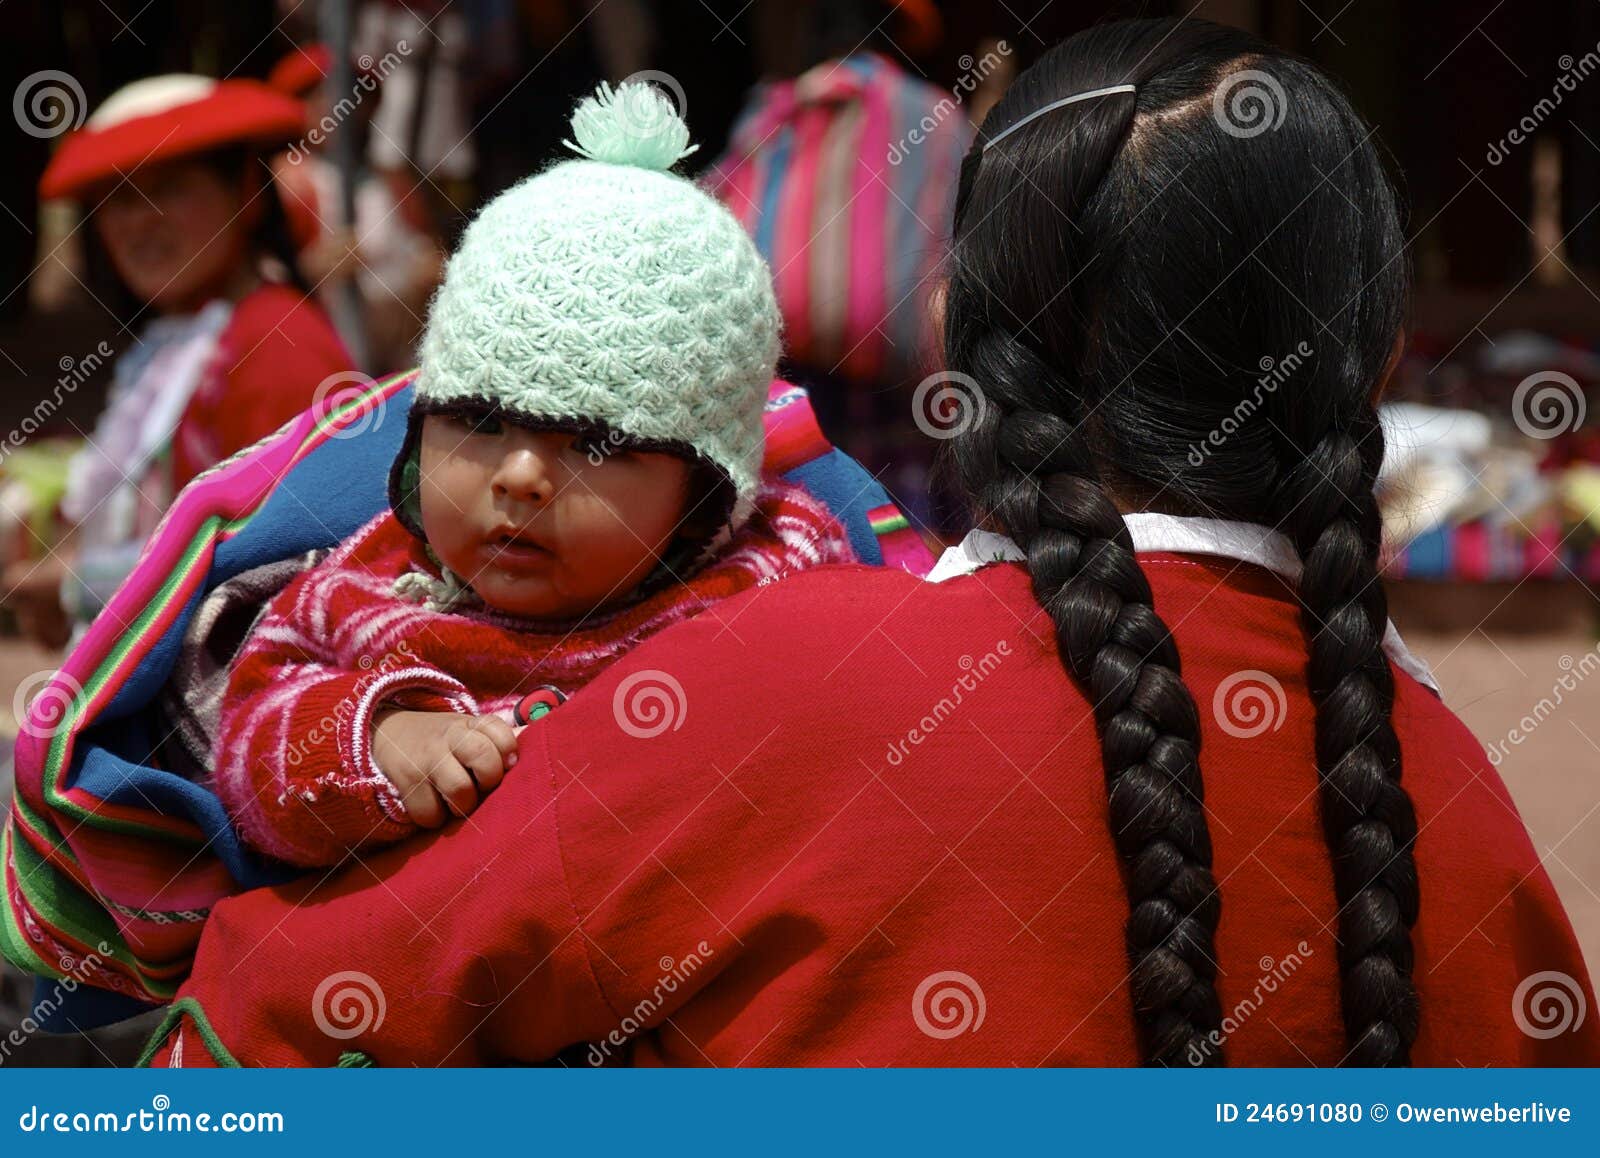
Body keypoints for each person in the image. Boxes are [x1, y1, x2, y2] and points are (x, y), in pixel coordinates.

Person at [143, 19, 1600, 1068]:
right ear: (1371, 358)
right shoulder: (1463, 823)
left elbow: (278, 1020)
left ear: (967, 339)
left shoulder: (763, 683)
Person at [211, 83, 852, 869]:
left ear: (704, 504)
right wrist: (378, 738)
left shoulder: (777, 589)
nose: (519, 477)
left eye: (596, 445)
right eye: (480, 422)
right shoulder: (368, 592)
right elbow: (246, 740)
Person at [1, 75, 354, 647]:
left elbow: (273, 560)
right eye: (116, 199)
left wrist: (77, 588)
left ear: (243, 189)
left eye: (169, 188)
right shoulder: (179, 340)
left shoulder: (274, 344)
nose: (138, 222)